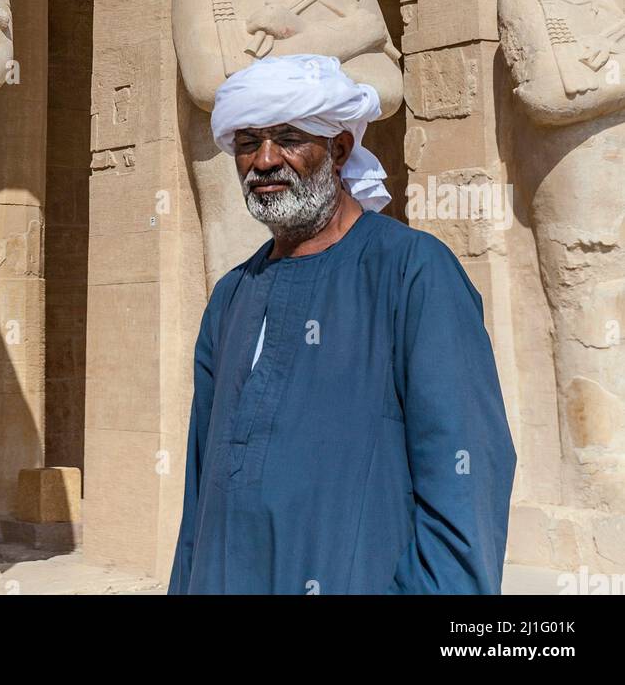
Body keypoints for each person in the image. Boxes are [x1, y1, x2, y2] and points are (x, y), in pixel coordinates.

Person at [168, 54, 516, 595]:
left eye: (288, 137)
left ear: (339, 148)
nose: (264, 160)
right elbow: (200, 491)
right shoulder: (231, 296)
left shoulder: (412, 272)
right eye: (246, 142)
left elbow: (463, 479)